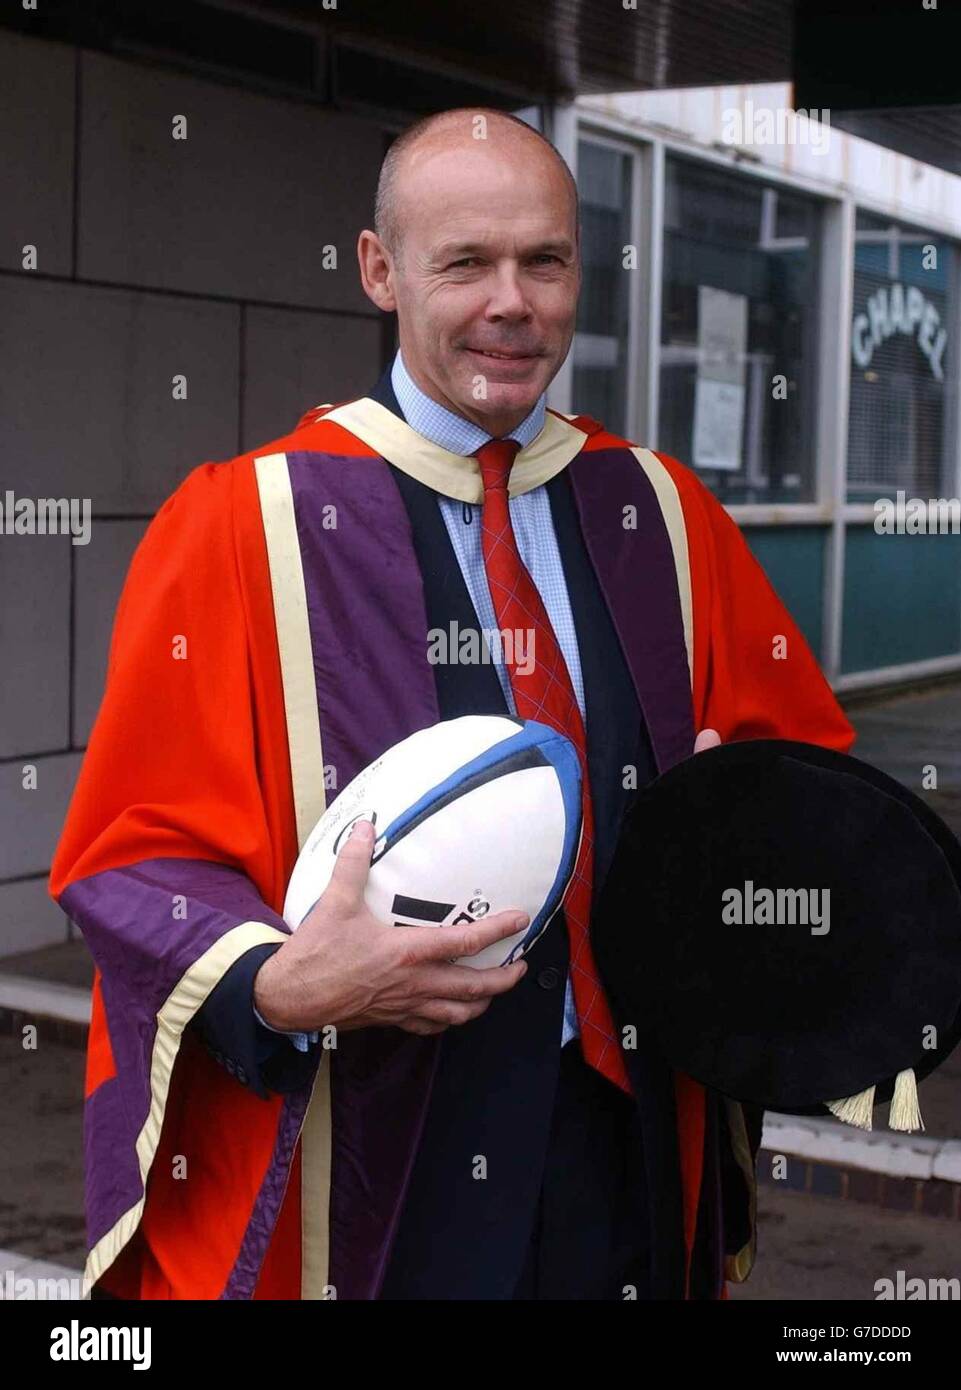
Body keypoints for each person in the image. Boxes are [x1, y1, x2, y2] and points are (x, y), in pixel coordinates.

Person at [49, 107, 854, 1301]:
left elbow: (806, 780)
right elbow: (131, 854)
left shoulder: (662, 515)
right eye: (465, 263)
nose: (512, 303)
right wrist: (278, 983)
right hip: (375, 1137)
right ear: (379, 270)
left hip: (620, 1130)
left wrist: (746, 843)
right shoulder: (240, 524)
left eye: (544, 260)